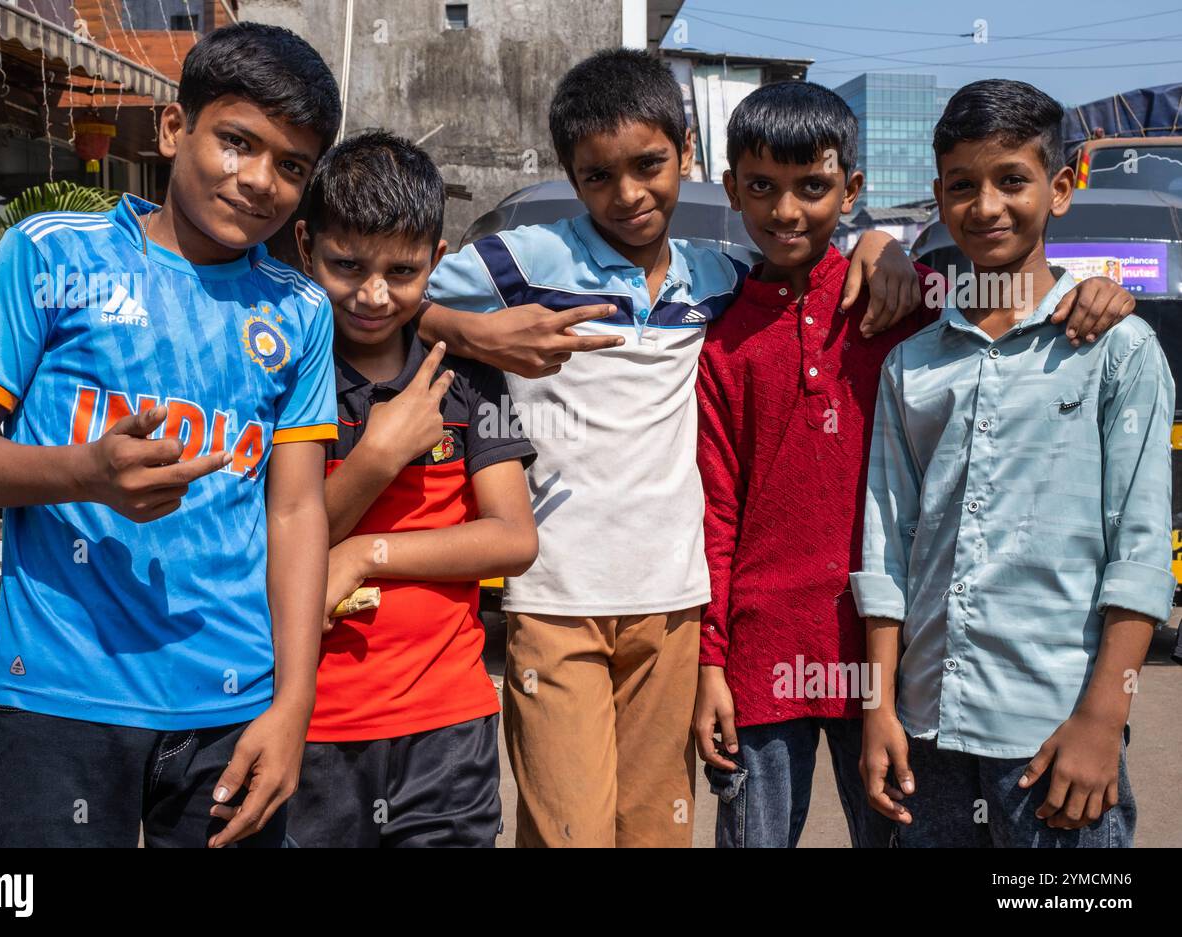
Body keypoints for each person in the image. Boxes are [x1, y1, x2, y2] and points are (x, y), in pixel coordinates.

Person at [421, 47, 927, 848]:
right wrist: (475, 328)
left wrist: (879, 245)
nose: (628, 194)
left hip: (673, 606)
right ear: (571, 173)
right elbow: (382, 301)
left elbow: (807, 263)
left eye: (650, 165)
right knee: (569, 831)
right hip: (556, 600)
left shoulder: (716, 280)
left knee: (657, 829)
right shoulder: (522, 261)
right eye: (598, 176)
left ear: (688, 155)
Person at [0, 23, 341, 847]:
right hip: (61, 696)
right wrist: (85, 472)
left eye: (291, 166)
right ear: (176, 131)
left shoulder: (300, 312)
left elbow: (295, 515)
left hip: (235, 707)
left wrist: (293, 706)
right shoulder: (48, 255)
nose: (259, 182)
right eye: (237, 143)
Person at [693, 80, 1133, 849]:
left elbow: (1014, 299)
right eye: (761, 187)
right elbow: (716, 515)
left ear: (852, 189)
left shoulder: (912, 307)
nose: (786, 210)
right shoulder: (722, 340)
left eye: (814, 186)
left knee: (897, 836)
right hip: (762, 658)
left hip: (888, 665)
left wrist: (1102, 291)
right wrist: (710, 662)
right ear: (732, 189)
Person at [853, 79, 1173, 847]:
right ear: (937, 196)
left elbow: (1139, 551)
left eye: (1012, 180)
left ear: (1059, 189)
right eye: (963, 185)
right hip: (926, 732)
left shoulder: (1115, 349)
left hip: (1056, 733)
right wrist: (879, 707)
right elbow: (885, 547)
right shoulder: (913, 364)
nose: (987, 206)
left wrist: (1103, 718)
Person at [286, 131, 538, 847]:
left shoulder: (469, 377)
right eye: (346, 265)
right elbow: (274, 536)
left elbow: (513, 536)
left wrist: (368, 552)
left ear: (438, 259)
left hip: (446, 729)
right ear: (306, 247)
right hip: (310, 721)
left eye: (401, 271)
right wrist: (377, 458)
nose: (373, 294)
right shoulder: (281, 373)